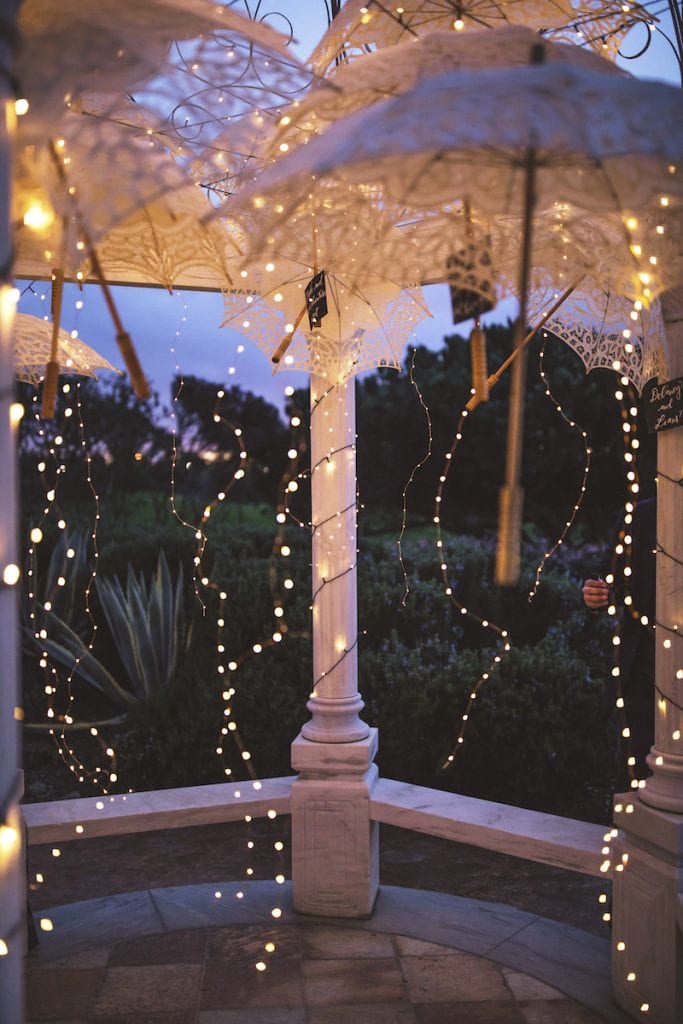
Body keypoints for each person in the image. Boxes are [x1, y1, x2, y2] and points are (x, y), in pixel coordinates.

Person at [582, 496, 656, 790]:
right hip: (646, 677)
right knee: (634, 780)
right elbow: (606, 579)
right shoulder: (642, 516)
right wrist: (595, 595)